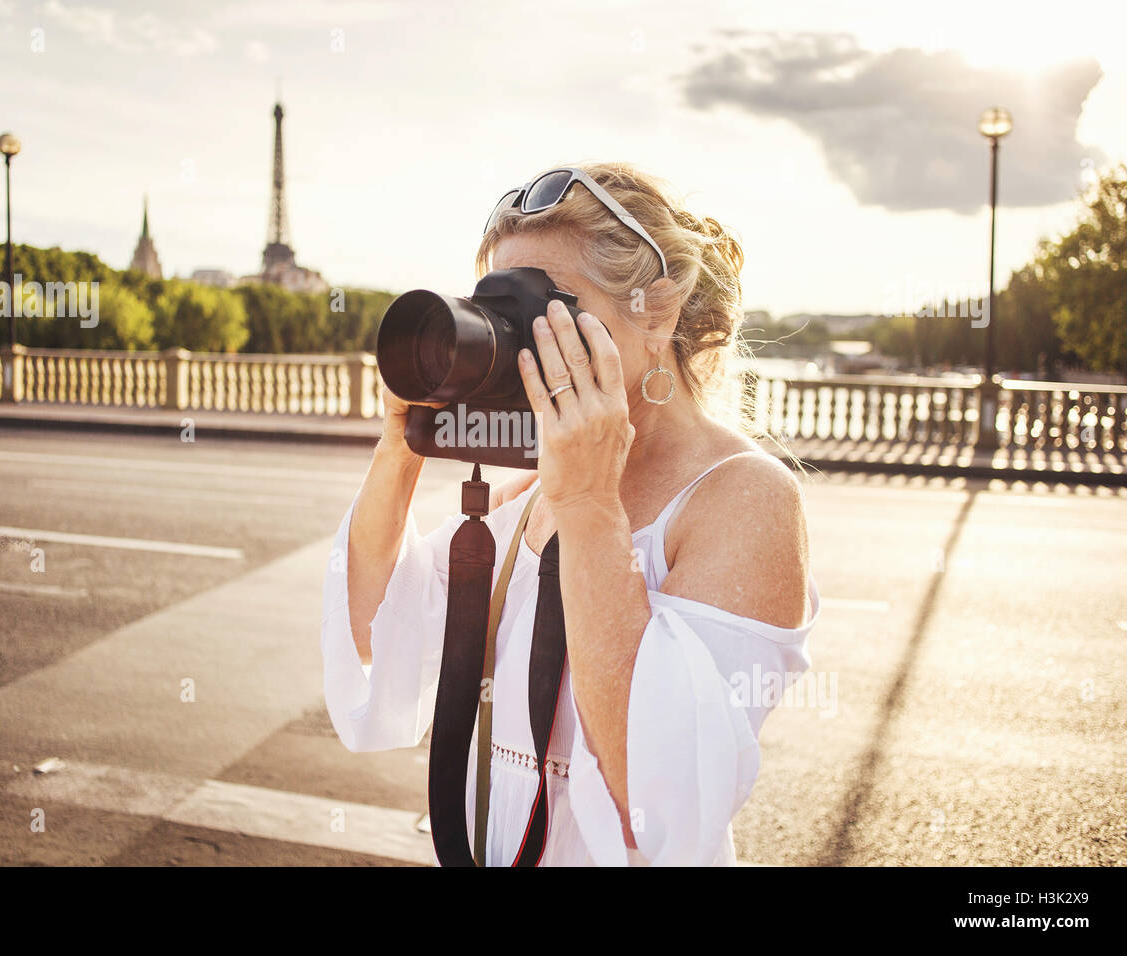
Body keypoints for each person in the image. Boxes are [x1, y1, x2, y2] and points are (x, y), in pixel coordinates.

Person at [321, 162, 819, 865]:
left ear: (660, 311)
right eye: (499, 314)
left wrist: (588, 504)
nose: (523, 344)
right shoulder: (537, 489)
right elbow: (373, 626)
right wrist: (400, 448)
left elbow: (658, 788)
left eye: (546, 310)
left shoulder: (744, 496)